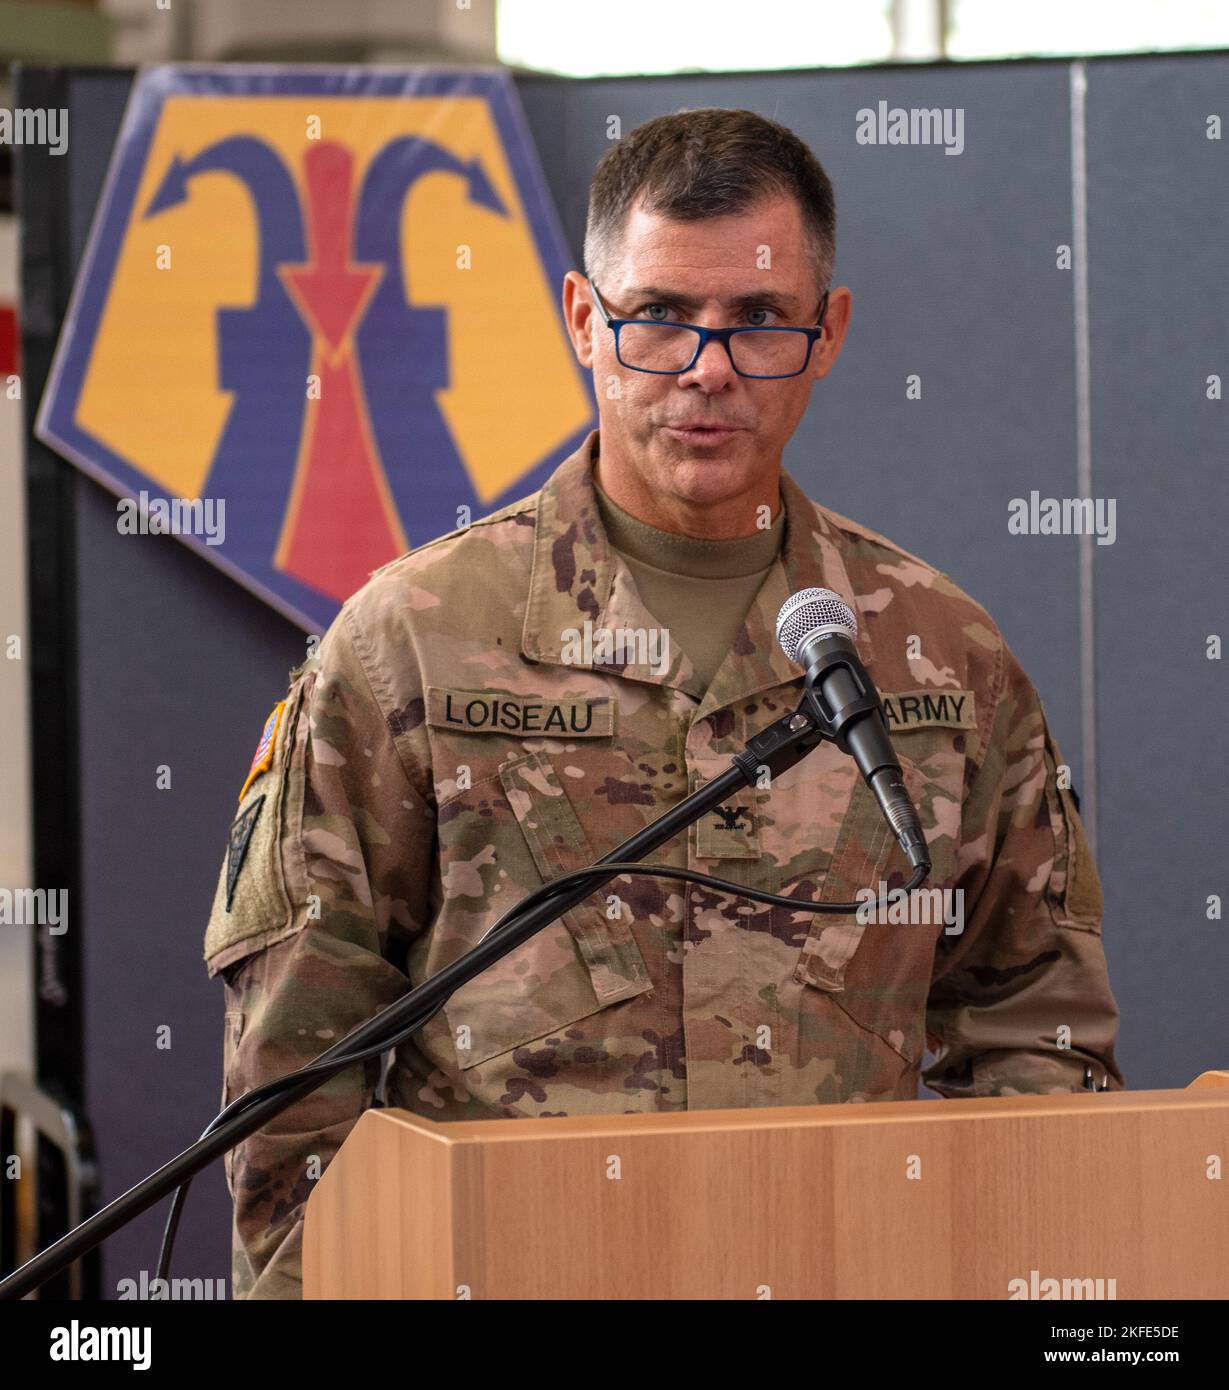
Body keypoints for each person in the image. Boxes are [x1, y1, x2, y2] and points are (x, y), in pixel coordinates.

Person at [204, 107, 1123, 1300]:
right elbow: (295, 1072)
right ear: (585, 321)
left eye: (756, 322)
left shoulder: (937, 654)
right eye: (658, 319)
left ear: (827, 331)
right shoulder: (409, 645)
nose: (707, 369)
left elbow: (1034, 1029)